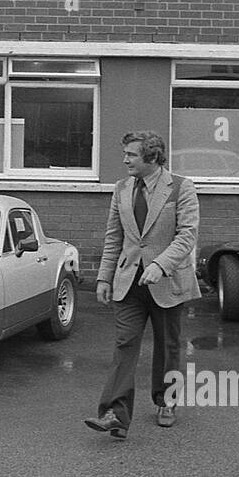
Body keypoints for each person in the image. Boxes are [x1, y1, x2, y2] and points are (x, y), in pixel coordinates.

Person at [85, 131, 200, 439]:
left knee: (168, 346)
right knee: (124, 346)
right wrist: (103, 278)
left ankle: (167, 401)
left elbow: (187, 235)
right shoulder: (121, 189)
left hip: (166, 281)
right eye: (125, 153)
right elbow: (114, 237)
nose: (124, 160)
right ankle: (116, 414)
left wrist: (161, 265)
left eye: (131, 155)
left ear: (151, 157)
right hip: (128, 283)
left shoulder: (180, 187)